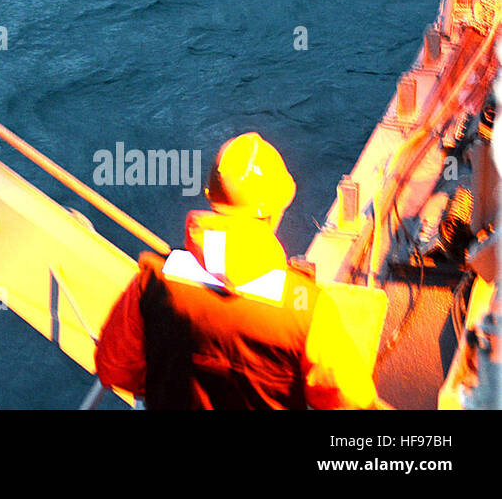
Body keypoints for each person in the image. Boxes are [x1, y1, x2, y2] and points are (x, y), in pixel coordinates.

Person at [94, 132, 381, 409]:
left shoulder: (153, 280)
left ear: (210, 197)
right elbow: (350, 400)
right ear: (275, 211)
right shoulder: (304, 306)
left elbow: (113, 368)